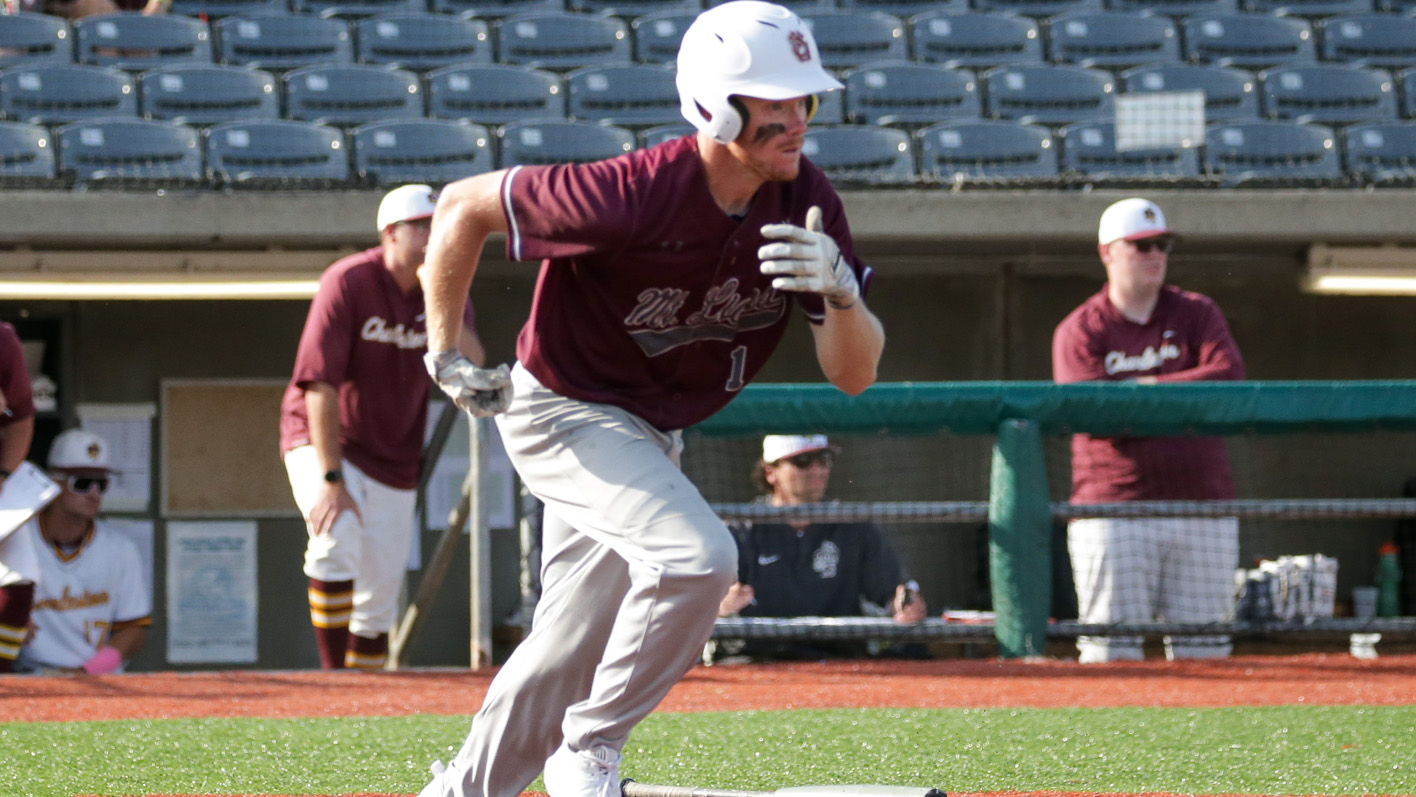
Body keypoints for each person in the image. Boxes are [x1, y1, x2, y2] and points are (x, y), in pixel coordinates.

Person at [413, 2, 885, 796]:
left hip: (647, 430)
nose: (796, 118)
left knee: (568, 644)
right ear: (713, 104)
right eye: (772, 100)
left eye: (803, 99)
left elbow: (855, 372)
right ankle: (589, 749)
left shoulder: (804, 195)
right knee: (699, 558)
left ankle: (463, 790)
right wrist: (442, 350)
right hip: (562, 408)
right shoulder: (634, 191)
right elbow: (462, 207)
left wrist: (841, 292)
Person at [279, 184, 485, 671]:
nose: (434, 237)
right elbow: (318, 386)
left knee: (380, 594)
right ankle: (334, 681)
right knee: (336, 539)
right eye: (422, 228)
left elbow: (472, 363)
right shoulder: (349, 280)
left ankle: (363, 700)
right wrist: (331, 480)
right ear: (390, 233)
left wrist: (440, 292)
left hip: (394, 453)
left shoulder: (445, 284)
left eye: (439, 227)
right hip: (326, 440)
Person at [1052, 197, 1246, 664]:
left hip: (1201, 507)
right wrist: (1182, 404)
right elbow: (1093, 414)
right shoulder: (1080, 329)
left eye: (1161, 244)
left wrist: (1141, 389)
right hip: (1116, 511)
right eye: (1140, 246)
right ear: (1107, 252)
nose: (1155, 254)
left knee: (1207, 653)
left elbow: (1228, 379)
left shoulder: (1197, 313)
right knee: (1111, 654)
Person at [715, 434, 926, 661]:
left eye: (824, 460)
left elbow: (892, 592)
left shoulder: (852, 525)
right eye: (803, 461)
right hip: (759, 660)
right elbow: (706, 604)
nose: (817, 470)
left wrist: (907, 604)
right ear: (770, 472)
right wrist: (721, 605)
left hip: (840, 657)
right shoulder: (740, 529)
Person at [14, 429, 151, 674]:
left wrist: (88, 672)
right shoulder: (16, 540)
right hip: (32, 675)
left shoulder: (120, 549)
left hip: (97, 677)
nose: (94, 494)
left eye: (102, 483)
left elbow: (133, 629)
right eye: (83, 483)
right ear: (55, 482)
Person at [0, 320, 38, 674]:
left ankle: (3, 677)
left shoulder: (2, 338)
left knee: (19, 576)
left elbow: (21, 417)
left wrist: (3, 476)